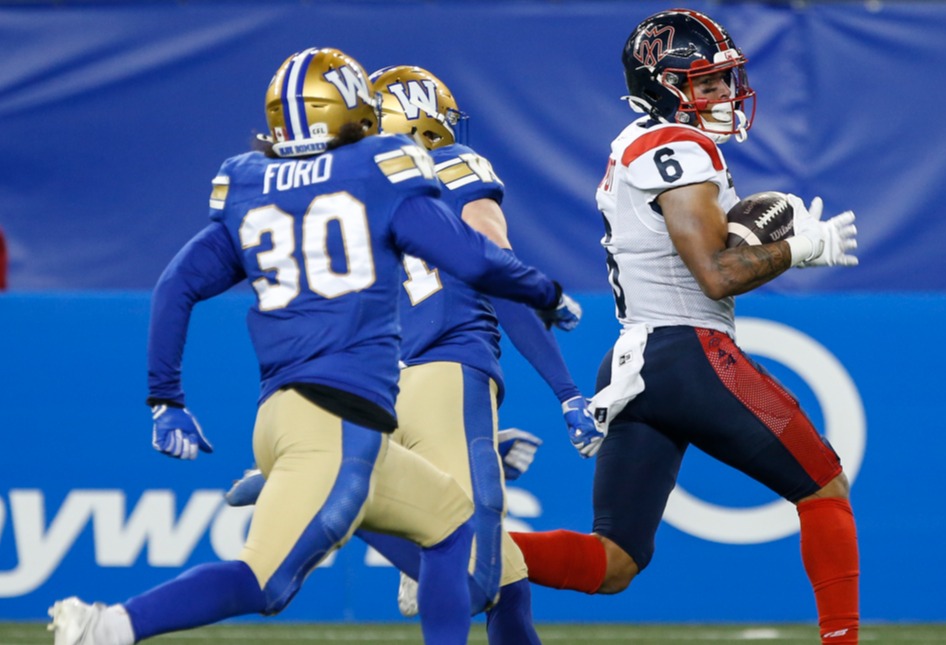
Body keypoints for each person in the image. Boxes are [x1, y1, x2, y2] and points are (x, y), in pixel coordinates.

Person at [46, 46, 579, 645]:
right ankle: (109, 626)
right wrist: (545, 291)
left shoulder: (252, 185)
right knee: (266, 583)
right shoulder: (379, 171)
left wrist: (165, 398)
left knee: (451, 528)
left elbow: (177, 285)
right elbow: (474, 258)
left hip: (291, 412)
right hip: (338, 418)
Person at [508, 9, 862, 645]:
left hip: (638, 360)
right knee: (824, 486)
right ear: (662, 86)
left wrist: (768, 244)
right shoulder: (678, 146)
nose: (725, 96)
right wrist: (799, 249)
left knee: (614, 562)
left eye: (726, 81)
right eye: (706, 84)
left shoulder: (635, 144)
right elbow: (717, 276)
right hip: (687, 351)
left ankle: (456, 550)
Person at [222, 64, 603, 645]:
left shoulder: (356, 184)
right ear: (424, 123)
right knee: (474, 575)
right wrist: (566, 390)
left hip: (373, 382)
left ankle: (329, 486)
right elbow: (495, 268)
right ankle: (364, 517)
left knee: (511, 580)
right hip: (446, 375)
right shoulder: (456, 168)